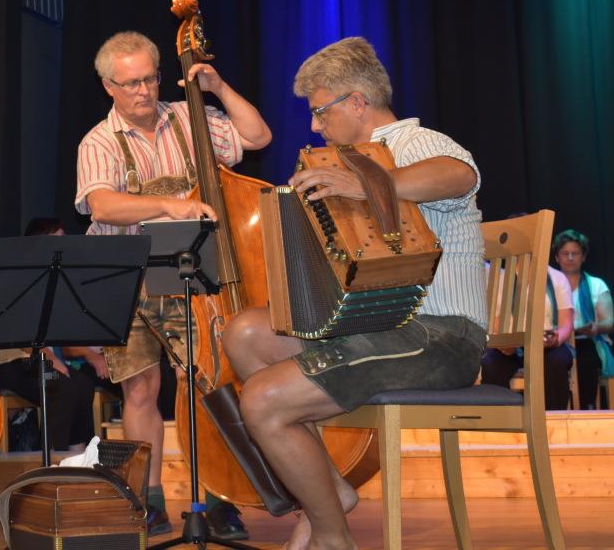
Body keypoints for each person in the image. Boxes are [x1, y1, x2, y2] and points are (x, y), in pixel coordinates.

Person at [220, 37, 486, 550]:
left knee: (264, 400)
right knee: (247, 332)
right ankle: (330, 491)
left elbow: (460, 175)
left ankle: (330, 535)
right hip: (382, 331)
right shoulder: (348, 160)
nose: (315, 125)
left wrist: (367, 182)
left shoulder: (416, 142)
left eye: (320, 111)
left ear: (357, 102)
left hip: (443, 337)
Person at [75, 31, 271, 539]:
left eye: (150, 77)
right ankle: (149, 501)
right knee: (140, 388)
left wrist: (219, 88)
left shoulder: (188, 118)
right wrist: (170, 204)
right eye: (131, 82)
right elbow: (103, 206)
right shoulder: (98, 141)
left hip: (188, 270)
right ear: (108, 86)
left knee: (201, 383)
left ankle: (218, 496)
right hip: (123, 274)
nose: (144, 90)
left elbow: (257, 138)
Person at [0, 217, 112, 452]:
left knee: (83, 384)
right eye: (56, 240)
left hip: (42, 362)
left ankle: (78, 455)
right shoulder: (21, 279)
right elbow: (21, 334)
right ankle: (54, 460)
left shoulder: (56, 281)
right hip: (14, 361)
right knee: (61, 388)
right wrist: (52, 360)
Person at [480, 263, 574, 410]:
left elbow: (566, 324)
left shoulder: (557, 278)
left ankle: (551, 421)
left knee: (556, 361)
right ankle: (499, 421)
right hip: (513, 344)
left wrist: (555, 339)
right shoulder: (501, 278)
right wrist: (503, 343)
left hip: (546, 343)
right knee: (491, 362)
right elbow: (494, 322)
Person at [553, 229, 614, 409]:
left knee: (586, 355)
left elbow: (609, 321)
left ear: (583, 257)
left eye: (576, 253)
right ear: (557, 257)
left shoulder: (596, 284)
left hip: (588, 341)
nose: (570, 257)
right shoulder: (548, 286)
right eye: (565, 253)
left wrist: (595, 327)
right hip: (558, 343)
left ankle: (587, 407)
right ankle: (557, 410)